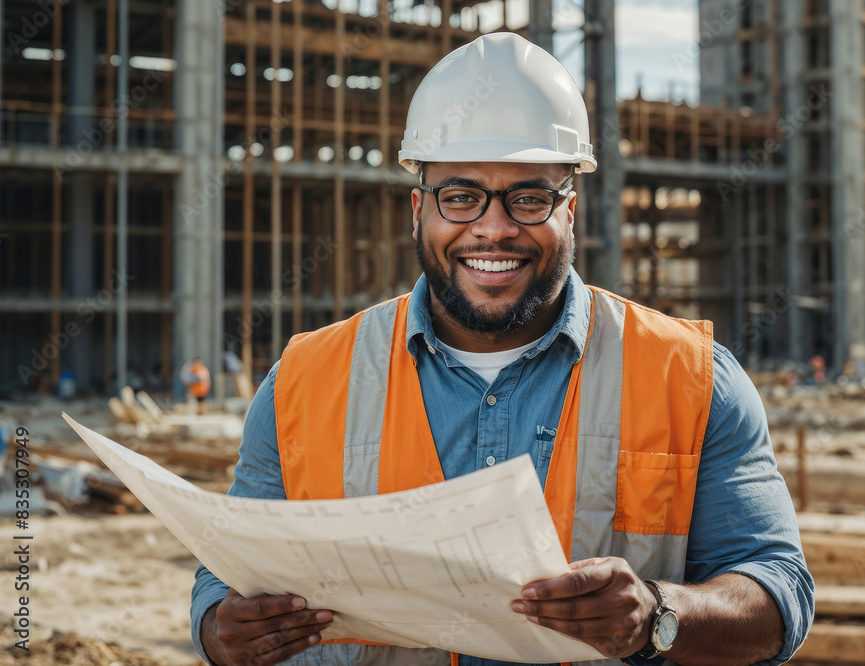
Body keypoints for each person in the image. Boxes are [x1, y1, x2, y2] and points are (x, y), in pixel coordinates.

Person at [191, 33, 813, 666]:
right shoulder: (303, 380)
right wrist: (223, 632)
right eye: (460, 196)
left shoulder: (690, 379)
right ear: (418, 210)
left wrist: (659, 612)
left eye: (529, 197)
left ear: (570, 210)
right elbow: (223, 582)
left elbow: (778, 596)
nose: (493, 226)